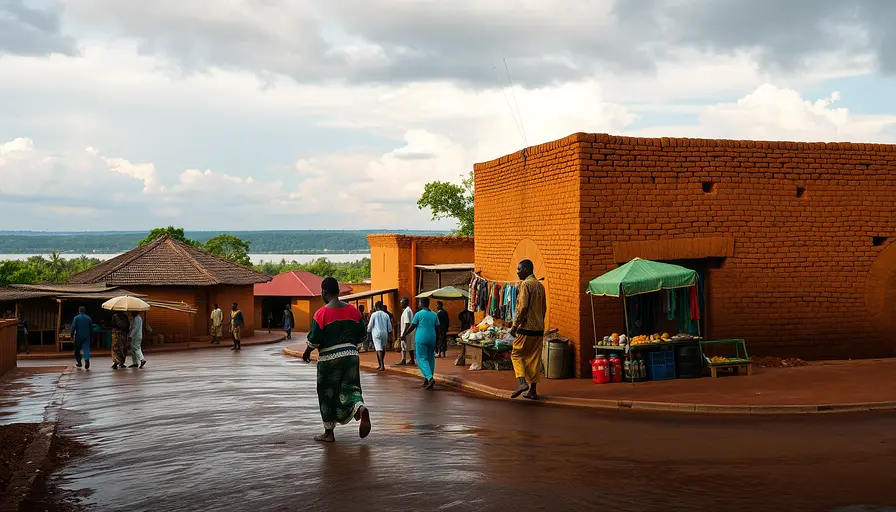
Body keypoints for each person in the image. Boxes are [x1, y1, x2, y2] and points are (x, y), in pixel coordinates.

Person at [302, 277, 372, 443]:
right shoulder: (354, 311)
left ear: (324, 291)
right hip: (351, 356)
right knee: (351, 388)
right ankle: (360, 409)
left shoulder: (321, 313)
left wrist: (307, 352)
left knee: (327, 393)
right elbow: (362, 335)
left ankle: (329, 433)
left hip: (329, 359)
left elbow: (314, 339)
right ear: (338, 291)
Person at [510, 259, 547, 400]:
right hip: (538, 329)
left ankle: (522, 382)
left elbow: (522, 307)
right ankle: (533, 391)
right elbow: (543, 308)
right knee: (534, 359)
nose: (517, 272)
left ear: (526, 270)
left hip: (526, 329)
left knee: (516, 354)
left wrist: (515, 326)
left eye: (519, 269)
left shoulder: (526, 284)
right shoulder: (540, 286)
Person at [401, 297, 440, 389]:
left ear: (422, 304)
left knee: (421, 359)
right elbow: (438, 328)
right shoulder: (434, 315)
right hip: (432, 338)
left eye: (419, 303)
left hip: (421, 338)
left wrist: (404, 334)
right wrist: (437, 340)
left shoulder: (418, 314)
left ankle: (430, 378)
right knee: (430, 359)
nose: (418, 304)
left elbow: (412, 326)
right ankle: (427, 379)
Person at [366, 301, 392, 371]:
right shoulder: (386, 315)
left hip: (376, 333)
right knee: (383, 348)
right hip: (384, 333)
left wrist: (368, 330)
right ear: (382, 307)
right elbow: (389, 327)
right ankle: (380, 363)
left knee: (378, 349)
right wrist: (390, 335)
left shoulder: (374, 315)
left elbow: (370, 325)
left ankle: (382, 365)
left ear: (375, 307)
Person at [396, 298, 416, 366]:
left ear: (405, 303)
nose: (400, 305)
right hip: (408, 331)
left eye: (402, 303)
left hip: (406, 331)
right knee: (409, 346)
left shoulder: (407, 311)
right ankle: (412, 359)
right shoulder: (408, 310)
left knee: (404, 346)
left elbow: (407, 323)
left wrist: (404, 334)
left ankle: (403, 359)